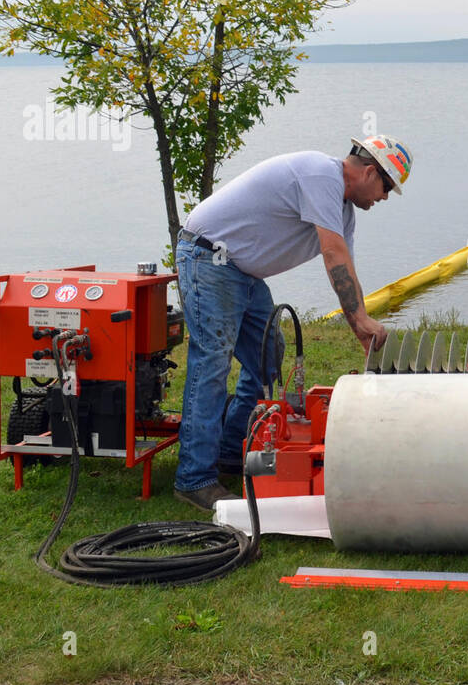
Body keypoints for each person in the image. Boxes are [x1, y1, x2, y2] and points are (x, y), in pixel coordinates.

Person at [172, 134, 412, 509]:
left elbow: (345, 266)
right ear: (369, 172)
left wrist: (360, 328)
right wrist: (361, 318)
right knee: (212, 363)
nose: (383, 198)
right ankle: (194, 478)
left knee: (268, 355)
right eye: (386, 187)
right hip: (209, 259)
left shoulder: (342, 208)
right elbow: (332, 253)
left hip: (240, 272)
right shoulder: (321, 176)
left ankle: (231, 451)